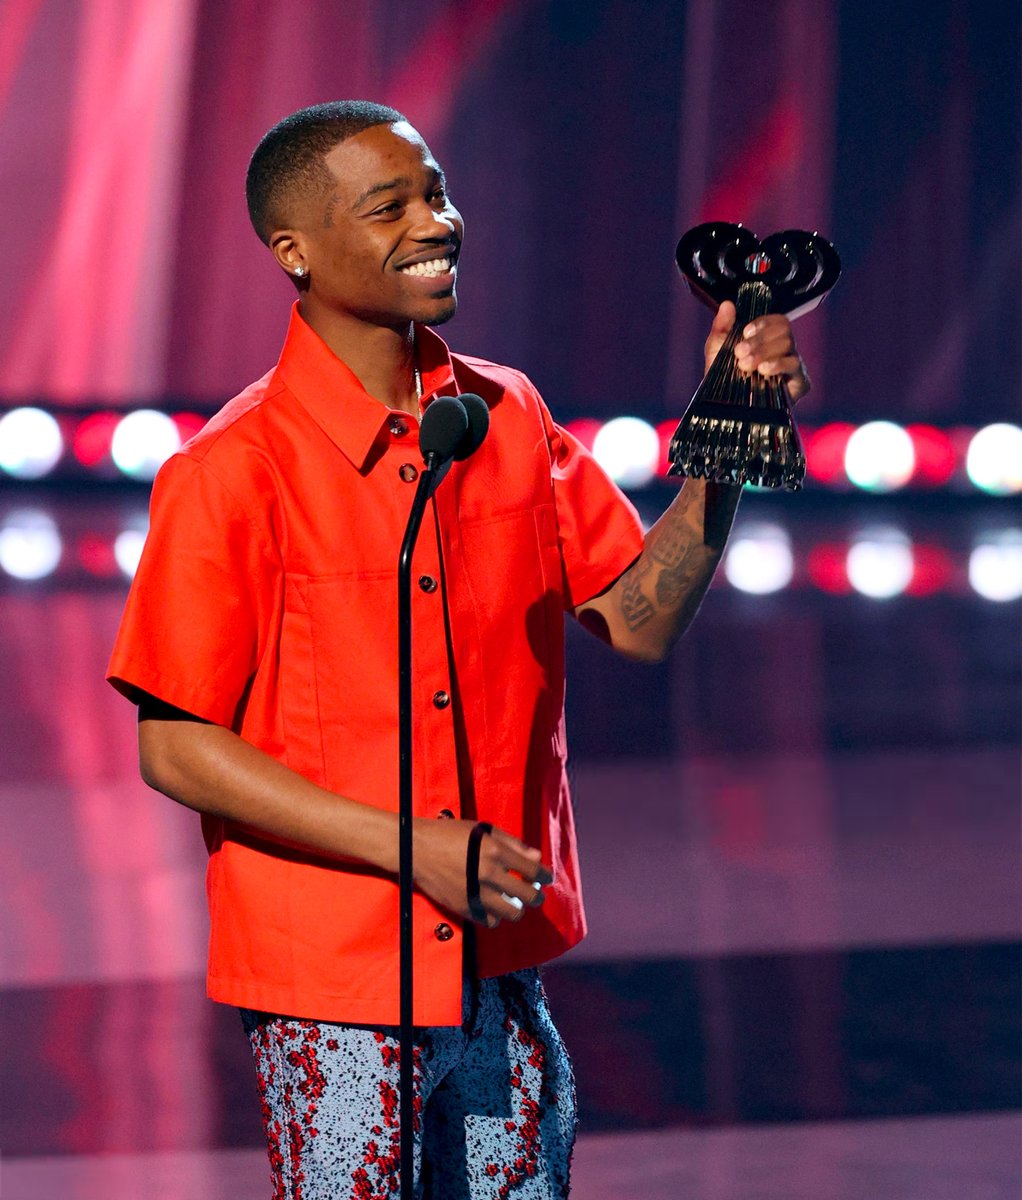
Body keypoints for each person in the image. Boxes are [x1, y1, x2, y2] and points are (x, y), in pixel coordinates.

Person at [107, 100, 809, 1200]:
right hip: (331, 993)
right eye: (389, 207)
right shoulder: (231, 471)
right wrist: (409, 849)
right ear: (293, 250)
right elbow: (176, 746)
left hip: (495, 967)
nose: (435, 223)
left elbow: (639, 616)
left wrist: (727, 427)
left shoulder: (506, 413)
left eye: (435, 193)